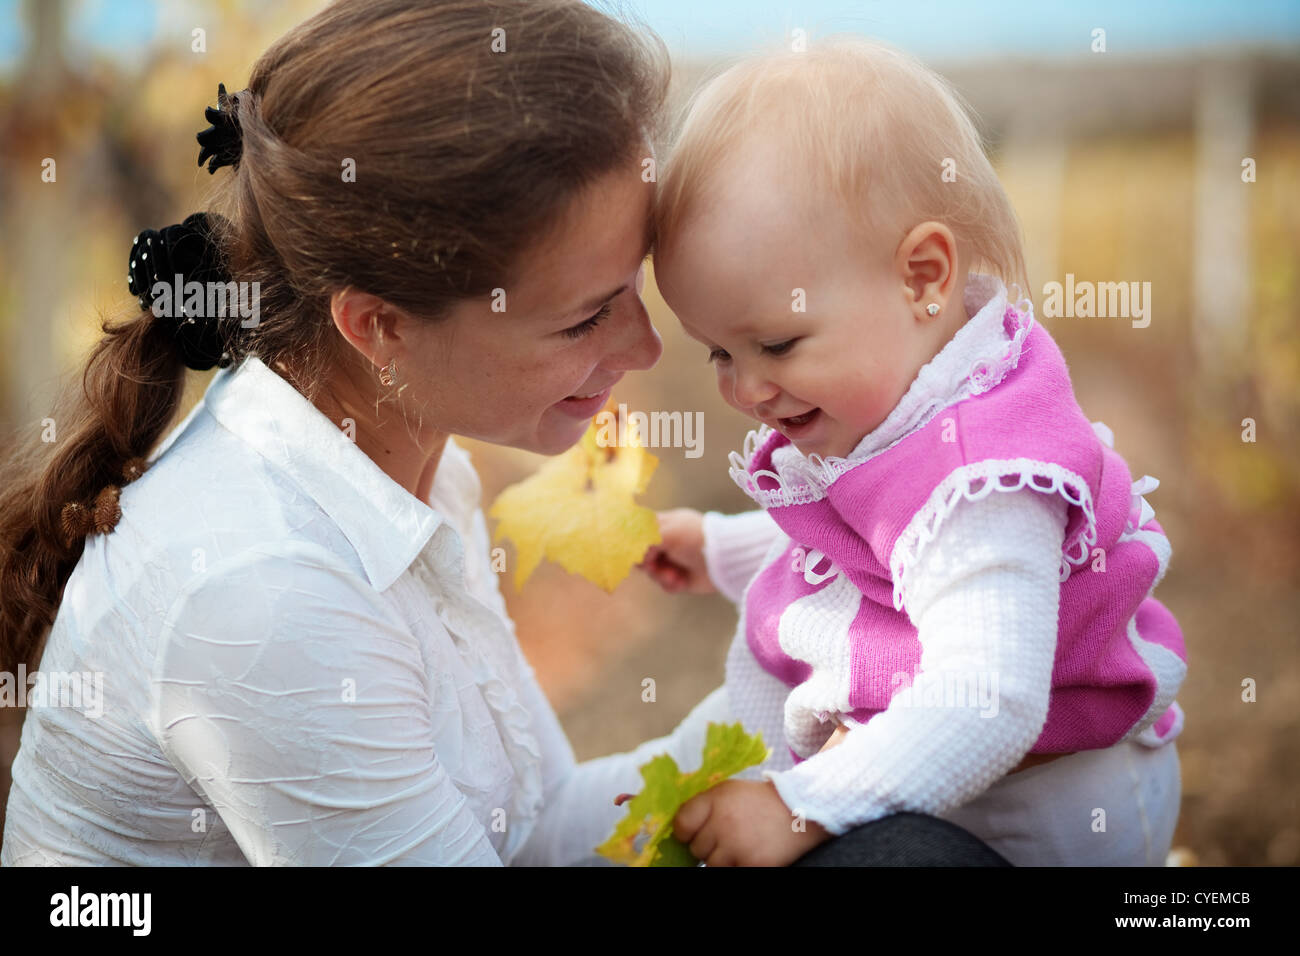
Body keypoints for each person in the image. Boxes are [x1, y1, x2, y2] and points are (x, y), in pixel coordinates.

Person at [640, 36, 1187, 866]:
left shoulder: (981, 478)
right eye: (718, 353)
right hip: (959, 790)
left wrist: (801, 807)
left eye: (778, 344)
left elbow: (986, 700)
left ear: (924, 276)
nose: (745, 391)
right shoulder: (897, 407)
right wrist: (722, 546)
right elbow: (874, 549)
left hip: (1035, 818)